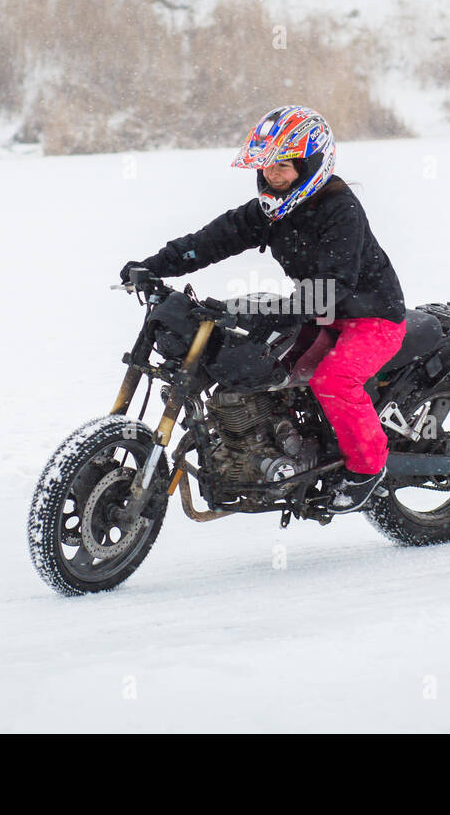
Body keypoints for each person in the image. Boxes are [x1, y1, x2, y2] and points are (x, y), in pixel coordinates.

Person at [120, 105, 407, 513]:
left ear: (312, 165)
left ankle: (366, 468)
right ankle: (277, 447)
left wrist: (270, 313)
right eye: (267, 165)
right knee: (257, 361)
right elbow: (211, 240)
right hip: (317, 311)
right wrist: (153, 266)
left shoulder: (341, 210)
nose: (273, 175)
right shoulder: (272, 211)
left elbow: (336, 286)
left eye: (284, 166)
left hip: (370, 317)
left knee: (333, 380)